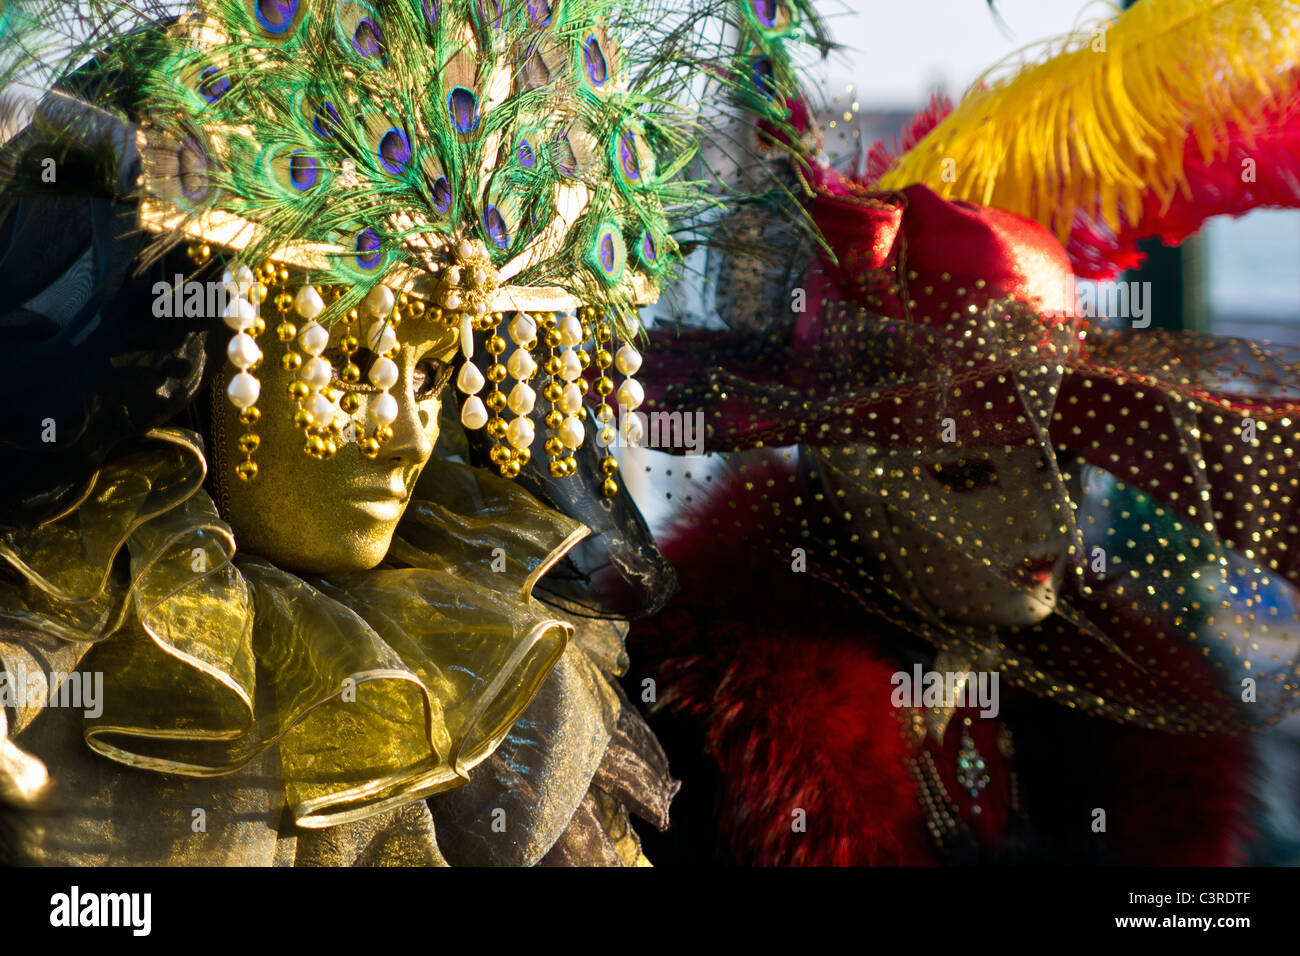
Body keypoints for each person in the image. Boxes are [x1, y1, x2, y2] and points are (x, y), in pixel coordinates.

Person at [0, 0, 821, 866]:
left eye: (431, 377)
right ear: (197, 360)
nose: (403, 435)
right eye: (348, 367)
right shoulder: (54, 655)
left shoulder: (511, 681)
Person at [628, 0, 1300, 865]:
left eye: (1063, 467)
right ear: (845, 468)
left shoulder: (1111, 712)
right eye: (968, 476)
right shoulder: (707, 746)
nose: (1050, 523)